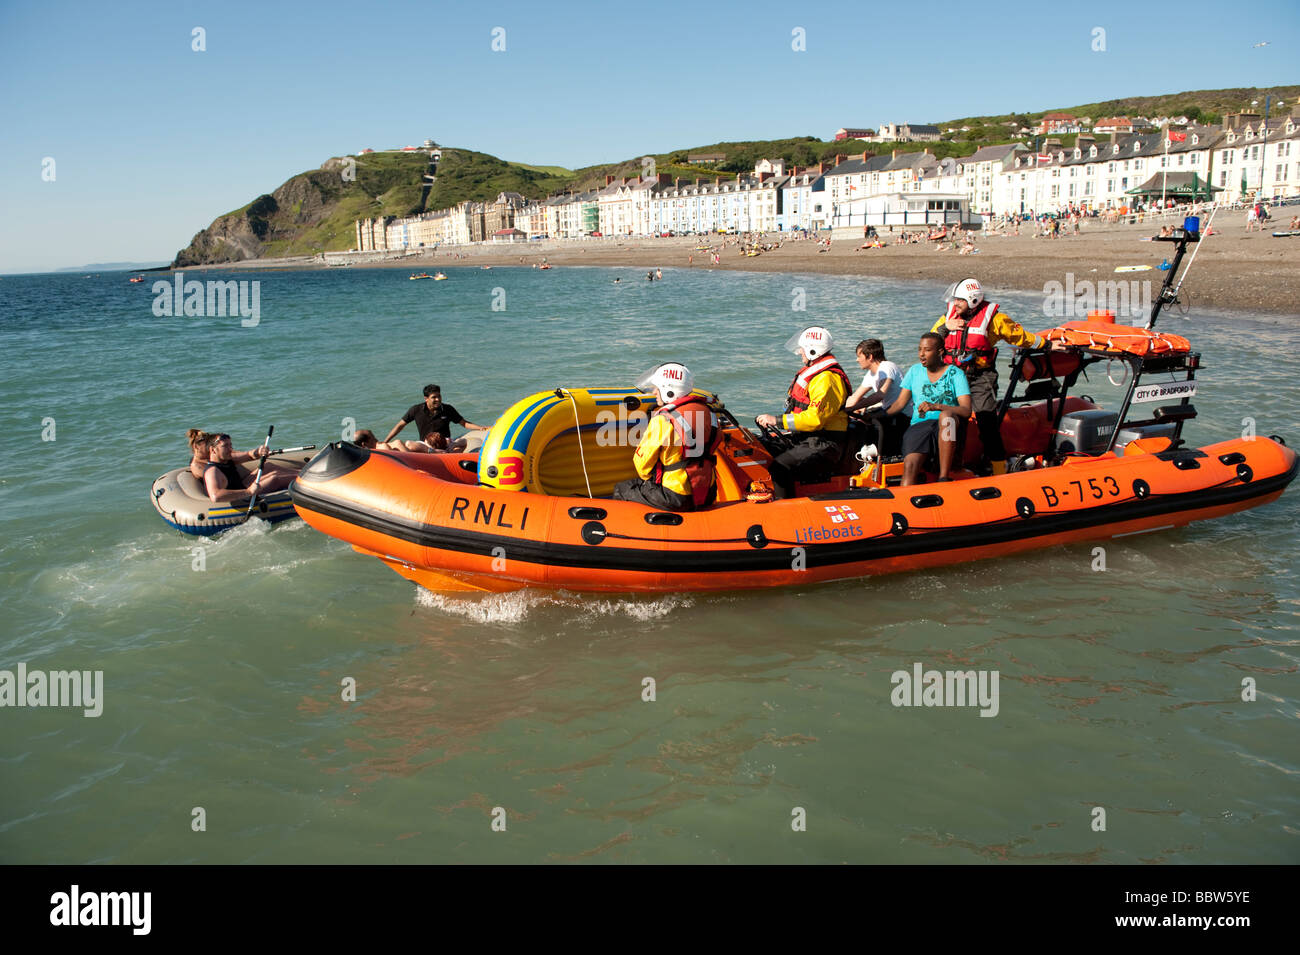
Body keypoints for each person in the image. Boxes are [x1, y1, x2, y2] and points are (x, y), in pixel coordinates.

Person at [930, 278, 1049, 475]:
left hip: (981, 378)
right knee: (948, 420)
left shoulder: (995, 319)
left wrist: (1047, 345)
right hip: (953, 377)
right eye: (955, 299)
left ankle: (999, 469)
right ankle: (951, 466)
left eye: (960, 300)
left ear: (974, 300)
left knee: (987, 422)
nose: (955, 304)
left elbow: (1019, 336)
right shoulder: (949, 317)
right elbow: (930, 341)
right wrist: (946, 328)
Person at [756, 326, 851, 496]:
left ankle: (786, 509)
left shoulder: (827, 379)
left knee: (780, 467)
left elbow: (815, 418)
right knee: (762, 448)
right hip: (808, 437)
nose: (800, 352)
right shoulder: (816, 375)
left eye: (802, 349)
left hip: (825, 442)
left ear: (813, 351)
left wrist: (776, 420)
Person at [611, 362, 720, 511]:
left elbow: (642, 464)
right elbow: (715, 442)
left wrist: (649, 482)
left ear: (669, 391)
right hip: (709, 492)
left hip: (676, 495)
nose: (654, 392)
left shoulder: (663, 419)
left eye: (657, 388)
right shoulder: (709, 413)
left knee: (622, 489)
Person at [887, 333, 972, 485]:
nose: (921, 354)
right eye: (919, 349)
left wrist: (937, 406)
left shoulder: (955, 374)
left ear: (939, 352)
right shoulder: (914, 371)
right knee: (910, 464)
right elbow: (900, 404)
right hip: (920, 425)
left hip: (948, 426)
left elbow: (966, 410)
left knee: (946, 416)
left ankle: (944, 477)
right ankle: (905, 499)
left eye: (927, 350)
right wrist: (873, 413)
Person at [845, 338, 912, 454]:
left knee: (869, 420)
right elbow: (855, 396)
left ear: (870, 357)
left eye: (859, 356)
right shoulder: (871, 374)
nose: (857, 360)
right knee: (860, 420)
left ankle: (882, 454)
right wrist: (844, 413)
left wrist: (852, 409)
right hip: (889, 411)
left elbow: (880, 395)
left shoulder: (887, 367)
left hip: (903, 415)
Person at [384, 384, 487, 447]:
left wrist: (482, 428)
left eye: (439, 396)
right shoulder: (416, 410)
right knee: (409, 444)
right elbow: (400, 426)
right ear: (426, 398)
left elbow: (464, 423)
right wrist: (385, 441)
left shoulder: (447, 409)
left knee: (463, 442)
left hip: (445, 443)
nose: (438, 399)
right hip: (426, 445)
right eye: (434, 397)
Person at [202, 433, 294, 503]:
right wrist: (248, 491)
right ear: (212, 450)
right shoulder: (212, 471)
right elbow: (216, 496)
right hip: (242, 498)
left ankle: (304, 473)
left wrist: (259, 451)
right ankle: (305, 480)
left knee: (268, 466)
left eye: (230, 445)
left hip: (242, 487)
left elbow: (250, 455)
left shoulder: (227, 459)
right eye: (225, 446)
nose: (230, 449)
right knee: (275, 477)